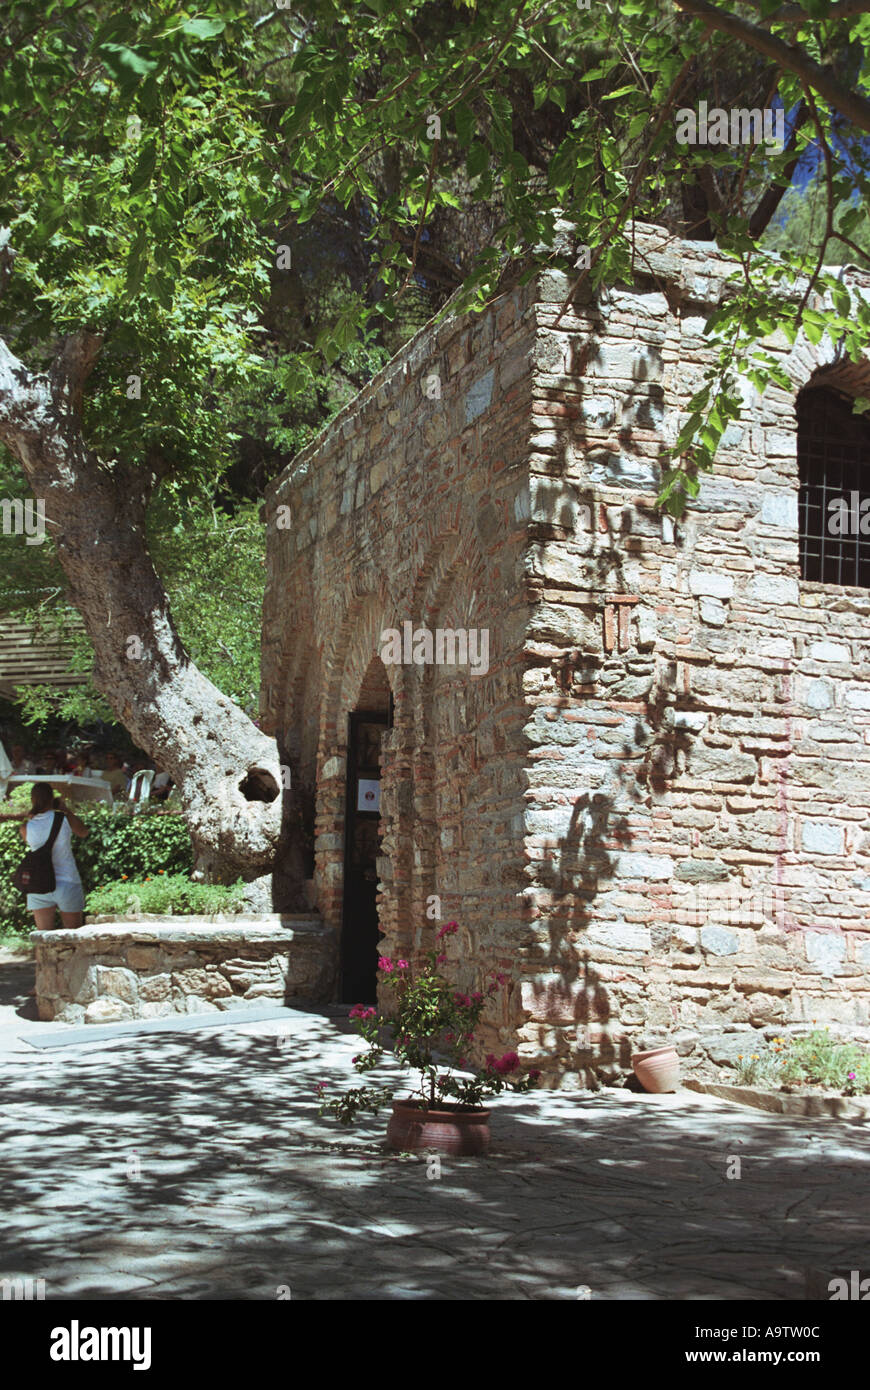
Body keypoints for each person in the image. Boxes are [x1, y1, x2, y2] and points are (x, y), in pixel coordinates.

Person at [19, 784, 89, 930]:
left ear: (32, 800)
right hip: (67, 881)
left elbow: (34, 842)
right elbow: (83, 832)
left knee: (44, 939)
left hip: (38, 884)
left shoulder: (26, 827)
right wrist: (65, 809)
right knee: (74, 937)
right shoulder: (63, 819)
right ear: (52, 798)